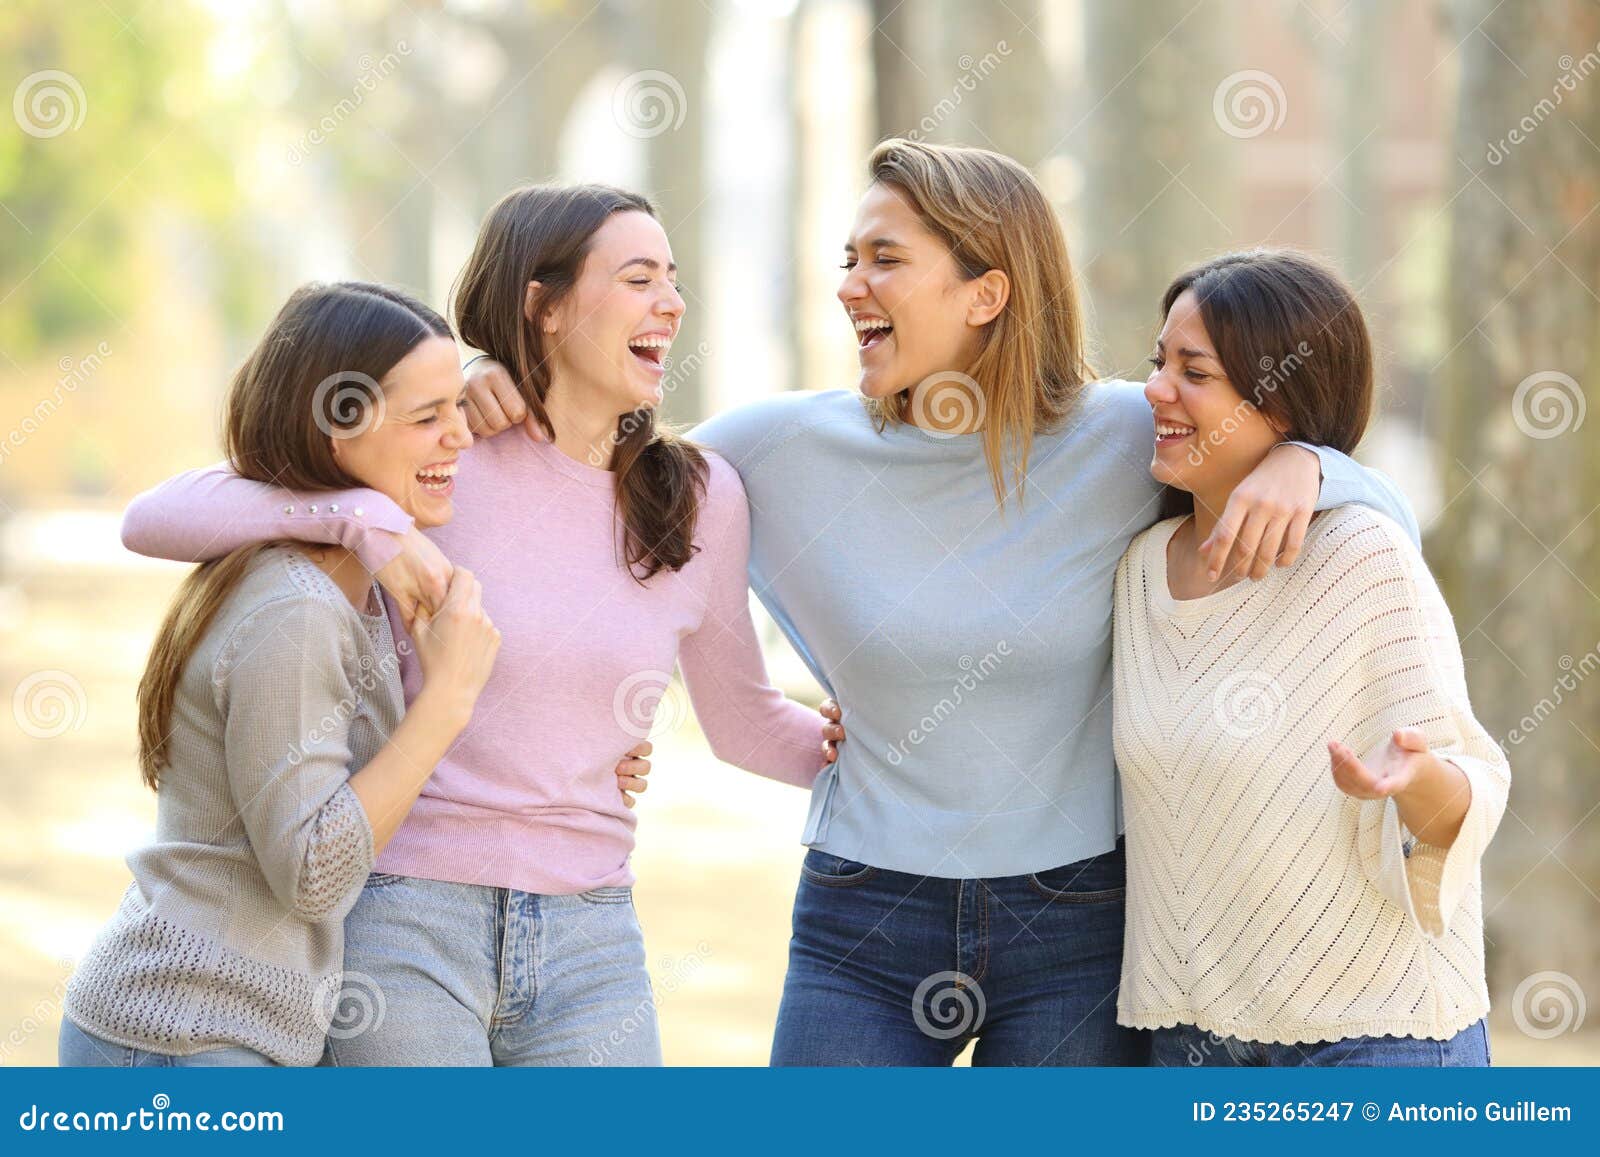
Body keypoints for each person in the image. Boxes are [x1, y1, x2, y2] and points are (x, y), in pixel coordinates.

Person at [459, 140, 1421, 1065]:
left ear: (987, 292)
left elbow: (1380, 523)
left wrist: (1312, 465)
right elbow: (583, 480)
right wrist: (483, 381)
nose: (849, 284)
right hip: (863, 914)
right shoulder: (779, 448)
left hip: (1078, 920)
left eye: (885, 259)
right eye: (848, 258)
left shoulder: (1131, 435)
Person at [114, 185, 843, 1066]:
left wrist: (891, 755)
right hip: (404, 917)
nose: (672, 304)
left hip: (591, 933)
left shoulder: (700, 498)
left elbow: (747, 720)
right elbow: (157, 516)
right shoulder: (443, 451)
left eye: (674, 281)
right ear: (544, 307)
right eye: (639, 278)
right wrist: (366, 521)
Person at [60, 282, 498, 1066]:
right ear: (335, 428)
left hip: (218, 1032)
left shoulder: (339, 589)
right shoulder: (297, 608)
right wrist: (447, 702)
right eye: (428, 416)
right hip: (184, 1038)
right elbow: (313, 877)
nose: (459, 436)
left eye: (458, 407)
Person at [1114, 248, 1506, 1066]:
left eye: (1195, 371)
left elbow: (1473, 788)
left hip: (1371, 1034)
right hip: (1187, 1040)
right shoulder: (1138, 571)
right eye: (1158, 362)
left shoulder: (1361, 554)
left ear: (1281, 406)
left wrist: (1413, 780)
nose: (1155, 389)